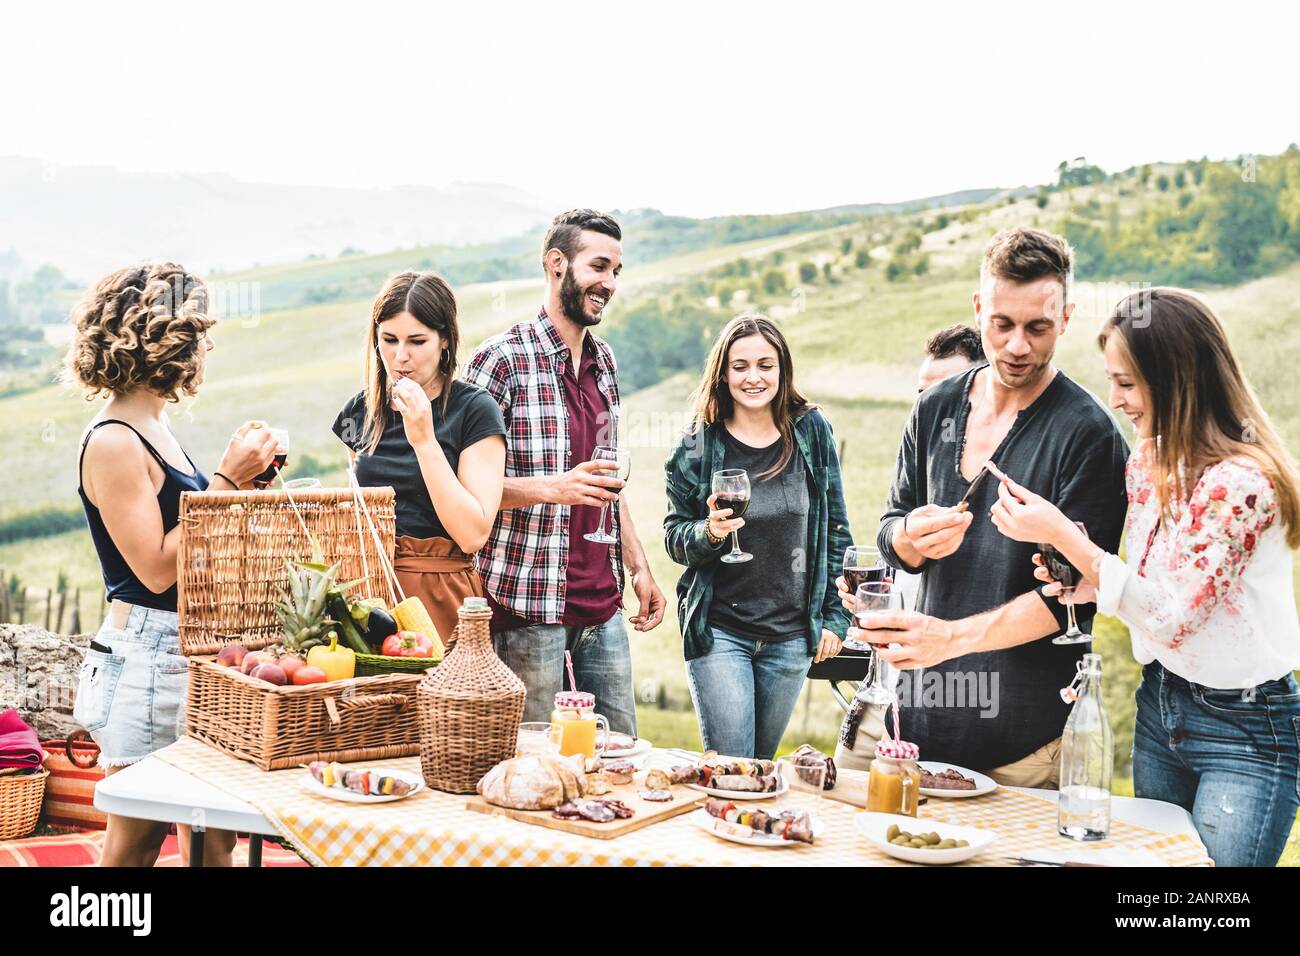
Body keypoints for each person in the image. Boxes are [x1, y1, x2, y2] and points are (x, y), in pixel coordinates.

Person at [991, 287, 1300, 866]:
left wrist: (1067, 538)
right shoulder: (1148, 460)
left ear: (1177, 379)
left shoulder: (1241, 485)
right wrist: (1087, 586)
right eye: (1111, 381)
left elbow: (1173, 616)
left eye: (1128, 384)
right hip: (1162, 705)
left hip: (1247, 730)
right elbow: (1155, 586)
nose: (1115, 400)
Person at [835, 227, 1129, 786]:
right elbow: (890, 526)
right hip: (910, 727)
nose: (1018, 345)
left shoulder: (1089, 434)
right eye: (1002, 325)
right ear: (978, 310)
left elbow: (1071, 598)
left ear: (1065, 318)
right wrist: (905, 539)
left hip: (1022, 745)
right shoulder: (934, 408)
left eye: (1037, 328)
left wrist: (950, 639)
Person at [65, 263, 278, 866]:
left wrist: (243, 488)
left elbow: (193, 535)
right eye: (200, 332)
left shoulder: (153, 422)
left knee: (214, 839)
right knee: (136, 844)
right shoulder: (113, 440)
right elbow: (156, 568)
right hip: (148, 658)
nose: (207, 346)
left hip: (186, 649)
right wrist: (227, 479)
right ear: (168, 338)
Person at [463, 209, 666, 734]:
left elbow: (606, 486)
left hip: (604, 607)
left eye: (617, 270)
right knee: (531, 767)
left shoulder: (606, 364)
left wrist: (639, 566)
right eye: (599, 266)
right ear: (557, 264)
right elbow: (466, 494)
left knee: (622, 759)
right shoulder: (500, 361)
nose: (610, 283)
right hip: (529, 609)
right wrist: (557, 488)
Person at [664, 314, 853, 760]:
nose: (753, 377)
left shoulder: (811, 432)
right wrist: (708, 532)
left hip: (790, 639)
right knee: (732, 770)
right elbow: (674, 537)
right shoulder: (698, 444)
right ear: (723, 373)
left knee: (761, 769)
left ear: (782, 370)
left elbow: (837, 529)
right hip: (720, 632)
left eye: (765, 365)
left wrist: (835, 619)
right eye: (740, 366)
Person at [333, 272, 506, 645]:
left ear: (444, 340)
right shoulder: (359, 411)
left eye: (417, 341)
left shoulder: (475, 410)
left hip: (439, 595)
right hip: (367, 598)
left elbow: (473, 533)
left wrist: (424, 440)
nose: (400, 356)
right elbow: (351, 513)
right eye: (389, 340)